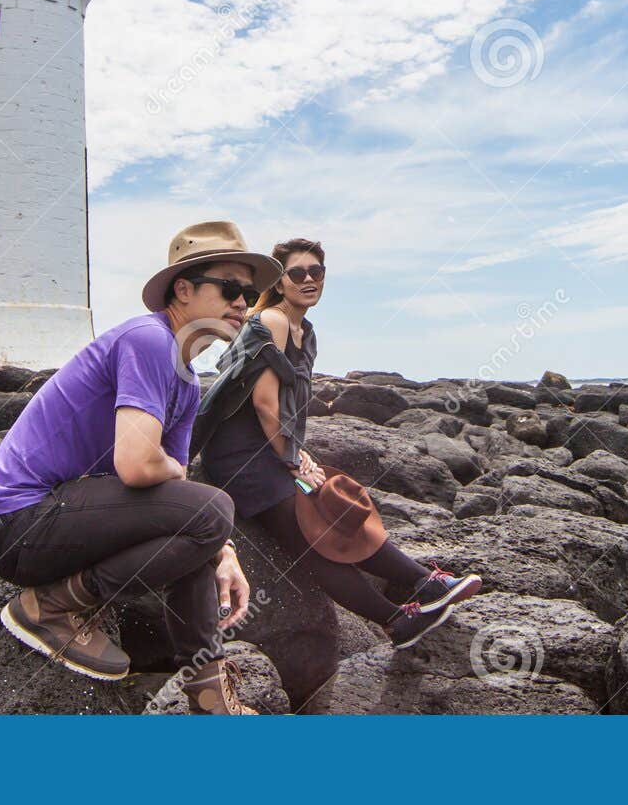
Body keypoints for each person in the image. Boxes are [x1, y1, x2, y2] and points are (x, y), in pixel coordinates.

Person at [0, 221, 281, 714]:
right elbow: (137, 467)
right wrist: (192, 498)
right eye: (229, 287)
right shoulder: (148, 339)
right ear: (183, 290)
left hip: (62, 520)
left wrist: (223, 549)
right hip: (20, 524)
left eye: (250, 293)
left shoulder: (185, 379)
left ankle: (208, 692)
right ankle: (51, 606)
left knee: (205, 523)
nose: (243, 302)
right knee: (212, 508)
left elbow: (174, 485)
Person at [194, 237, 481, 648]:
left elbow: (287, 409)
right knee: (312, 537)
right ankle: (402, 614)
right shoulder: (272, 321)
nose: (308, 279)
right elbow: (264, 403)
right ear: (279, 282)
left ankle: (424, 586)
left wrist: (299, 452)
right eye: (297, 273)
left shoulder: (304, 332)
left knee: (333, 509)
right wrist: (292, 459)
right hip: (241, 459)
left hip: (267, 449)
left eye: (316, 271)